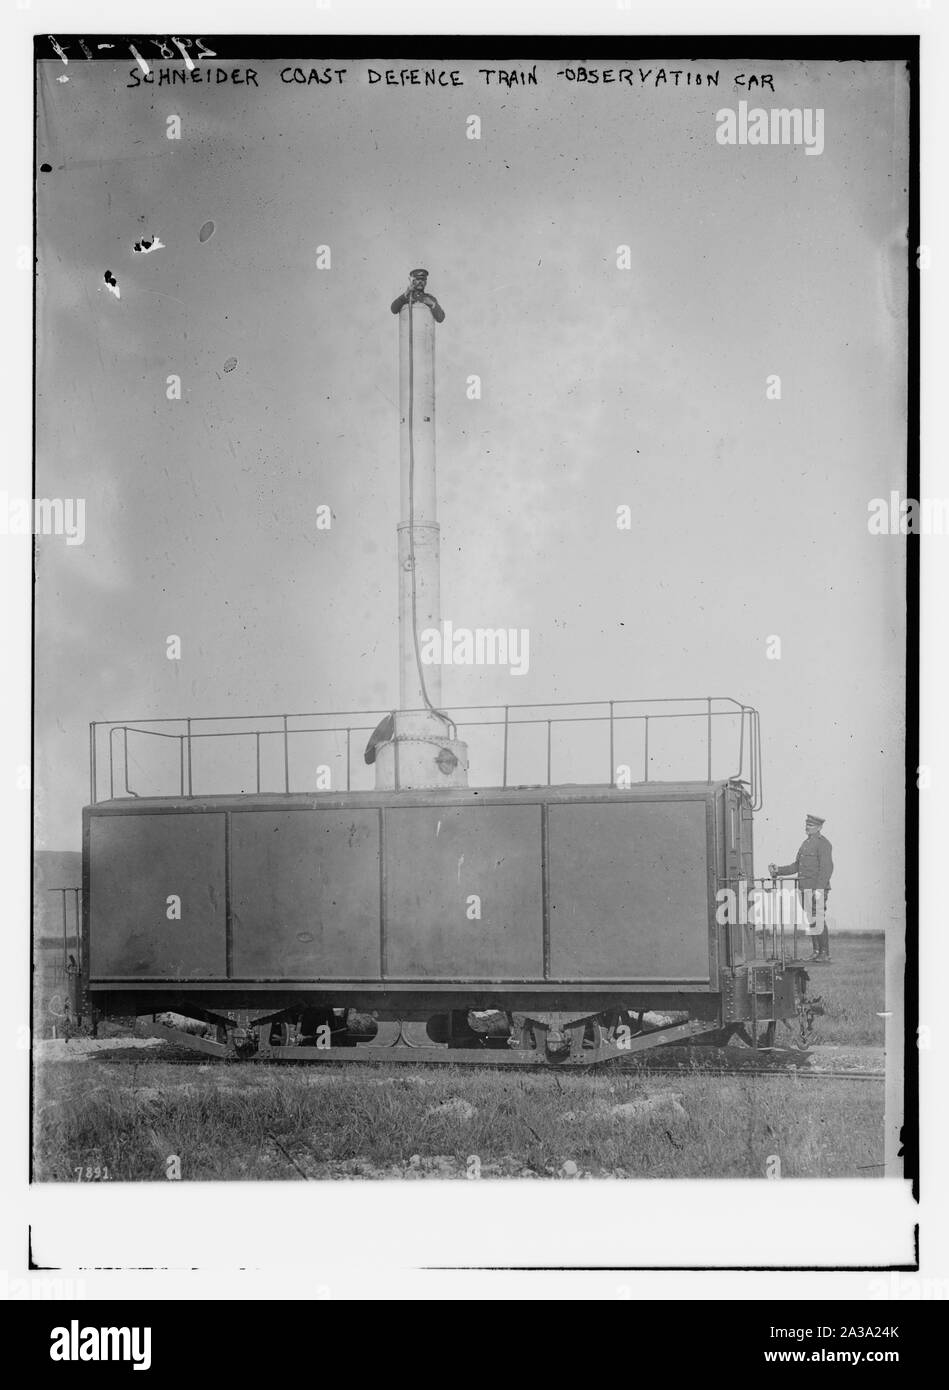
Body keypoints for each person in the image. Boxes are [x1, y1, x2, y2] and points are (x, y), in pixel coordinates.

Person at [769, 814, 833, 960]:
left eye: (810, 825)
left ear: (819, 827)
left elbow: (827, 868)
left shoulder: (823, 844)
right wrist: (778, 870)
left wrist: (819, 889)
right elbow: (797, 866)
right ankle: (816, 951)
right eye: (806, 825)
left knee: (818, 918)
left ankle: (824, 953)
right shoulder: (805, 844)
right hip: (804, 889)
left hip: (816, 889)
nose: (807, 827)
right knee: (811, 920)